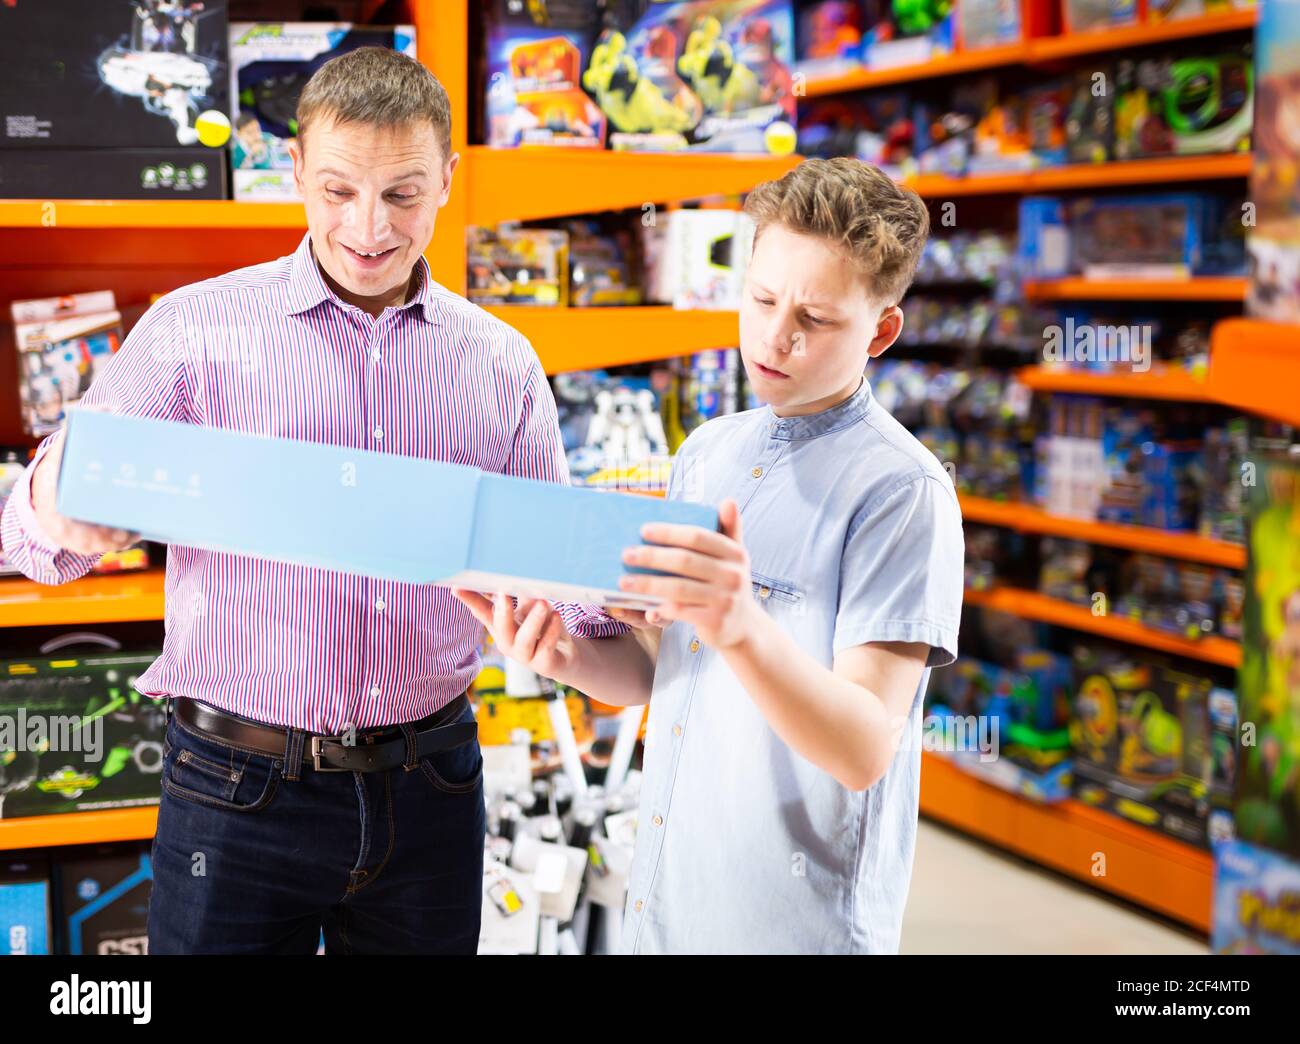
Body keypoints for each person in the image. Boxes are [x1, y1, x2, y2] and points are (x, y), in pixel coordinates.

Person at [1, 47, 633, 955]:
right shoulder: (193, 330)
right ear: (293, 171)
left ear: (450, 180)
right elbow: (38, 539)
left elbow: (561, 570)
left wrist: (627, 603)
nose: (369, 227)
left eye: (403, 194)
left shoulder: (499, 363)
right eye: (337, 191)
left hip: (434, 786)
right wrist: (57, 504)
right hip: (235, 787)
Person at [457, 157, 964, 954]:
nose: (775, 336)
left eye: (816, 318)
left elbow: (865, 747)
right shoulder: (709, 451)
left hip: (792, 925)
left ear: (882, 330)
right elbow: (664, 670)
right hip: (669, 901)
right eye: (760, 299)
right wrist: (566, 656)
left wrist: (737, 622)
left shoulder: (902, 493)